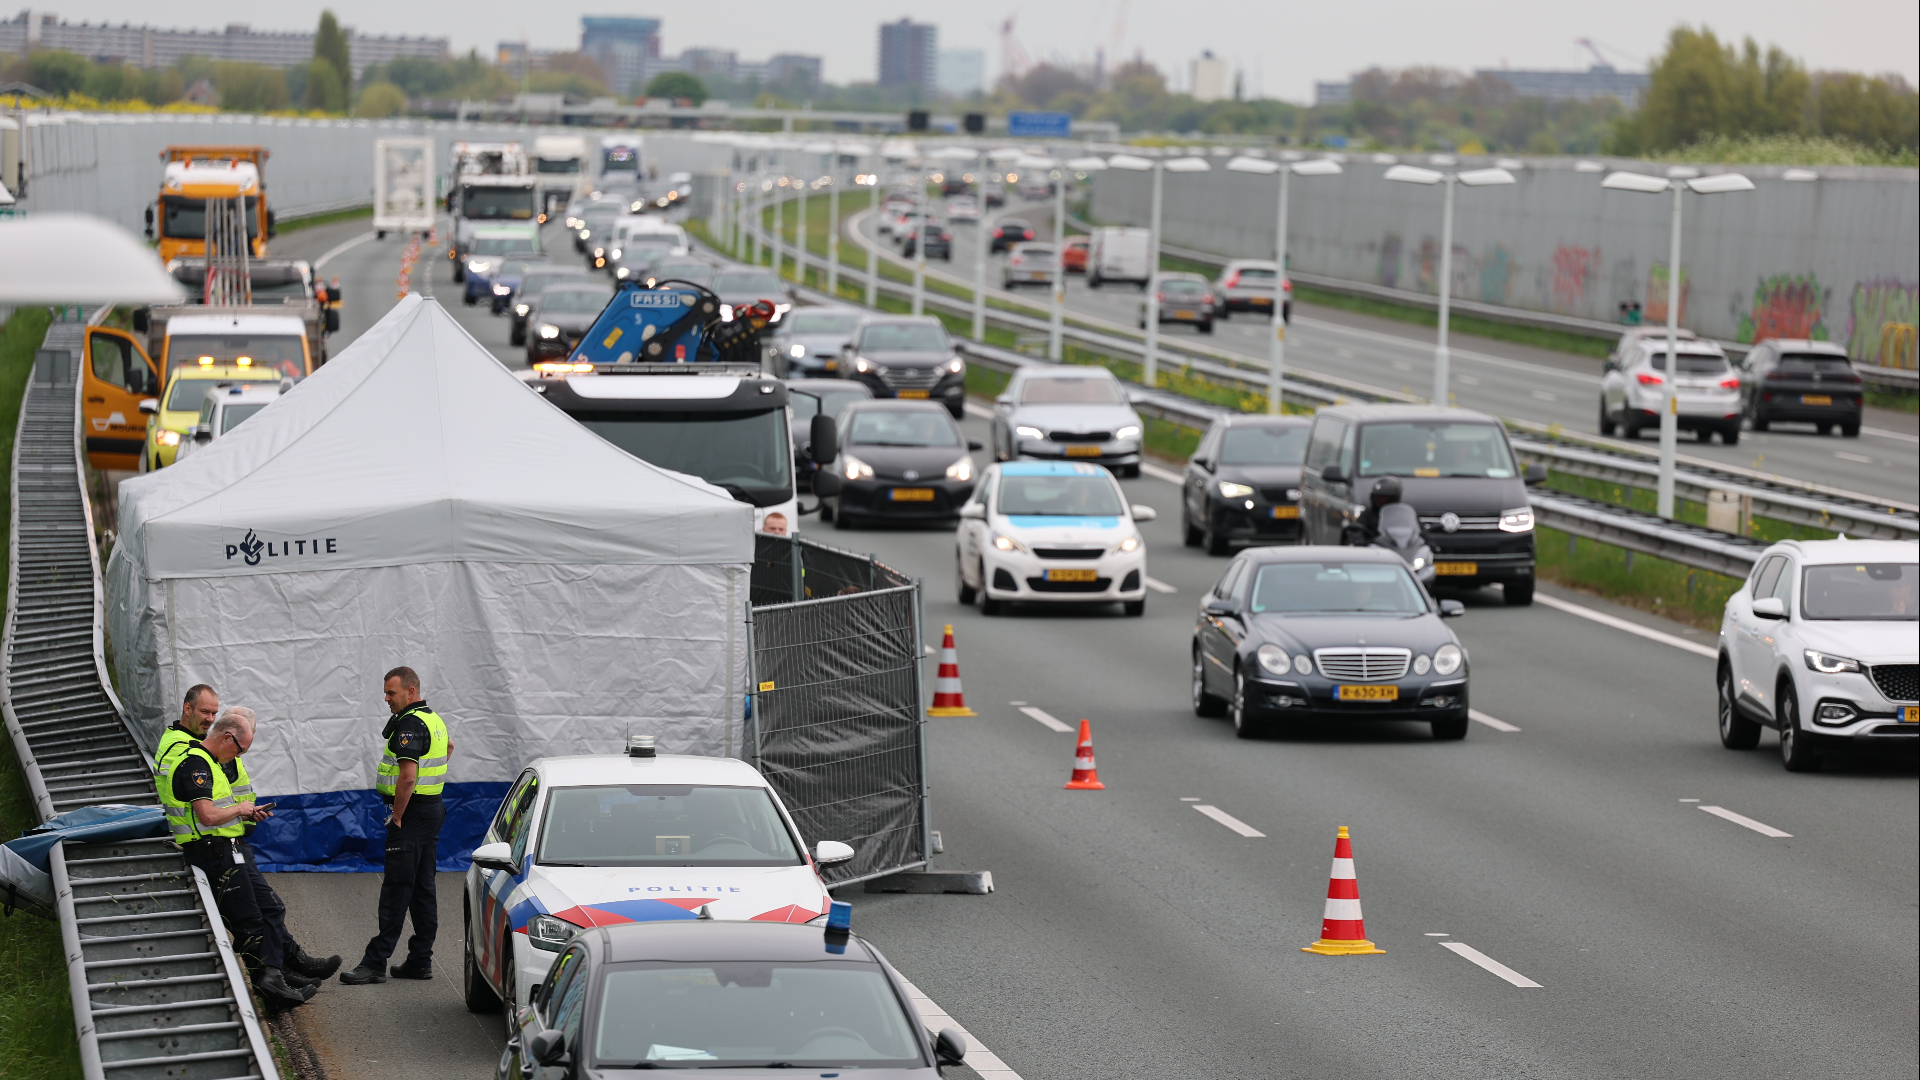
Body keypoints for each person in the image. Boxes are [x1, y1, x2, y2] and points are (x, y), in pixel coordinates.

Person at [158, 709, 334, 1006]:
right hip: (211, 850)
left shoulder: (212, 763)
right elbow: (208, 815)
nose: (239, 756)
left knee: (269, 909)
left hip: (229, 847)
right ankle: (273, 985)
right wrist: (240, 810)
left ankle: (278, 976)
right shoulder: (195, 765)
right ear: (227, 738)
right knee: (250, 922)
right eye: (241, 749)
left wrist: (248, 813)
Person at [341, 666, 450, 985]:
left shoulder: (411, 724)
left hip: (412, 814)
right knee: (421, 887)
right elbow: (449, 748)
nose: (386, 698)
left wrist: (398, 815)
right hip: (431, 810)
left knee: (397, 889)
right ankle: (420, 960)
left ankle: (375, 963)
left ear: (410, 692)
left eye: (391, 693)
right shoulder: (433, 718)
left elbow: (408, 776)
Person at [155, 684, 220, 781]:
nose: (210, 719)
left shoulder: (192, 736)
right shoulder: (180, 745)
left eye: (214, 713)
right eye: (204, 712)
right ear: (188, 709)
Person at [1343, 475, 1404, 547]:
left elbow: (1414, 532)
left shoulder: (1402, 515)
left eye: (1382, 497)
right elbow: (1357, 528)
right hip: (1375, 551)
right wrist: (1359, 540)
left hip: (1400, 549)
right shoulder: (1368, 514)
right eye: (1376, 497)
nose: (1378, 500)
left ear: (1394, 499)